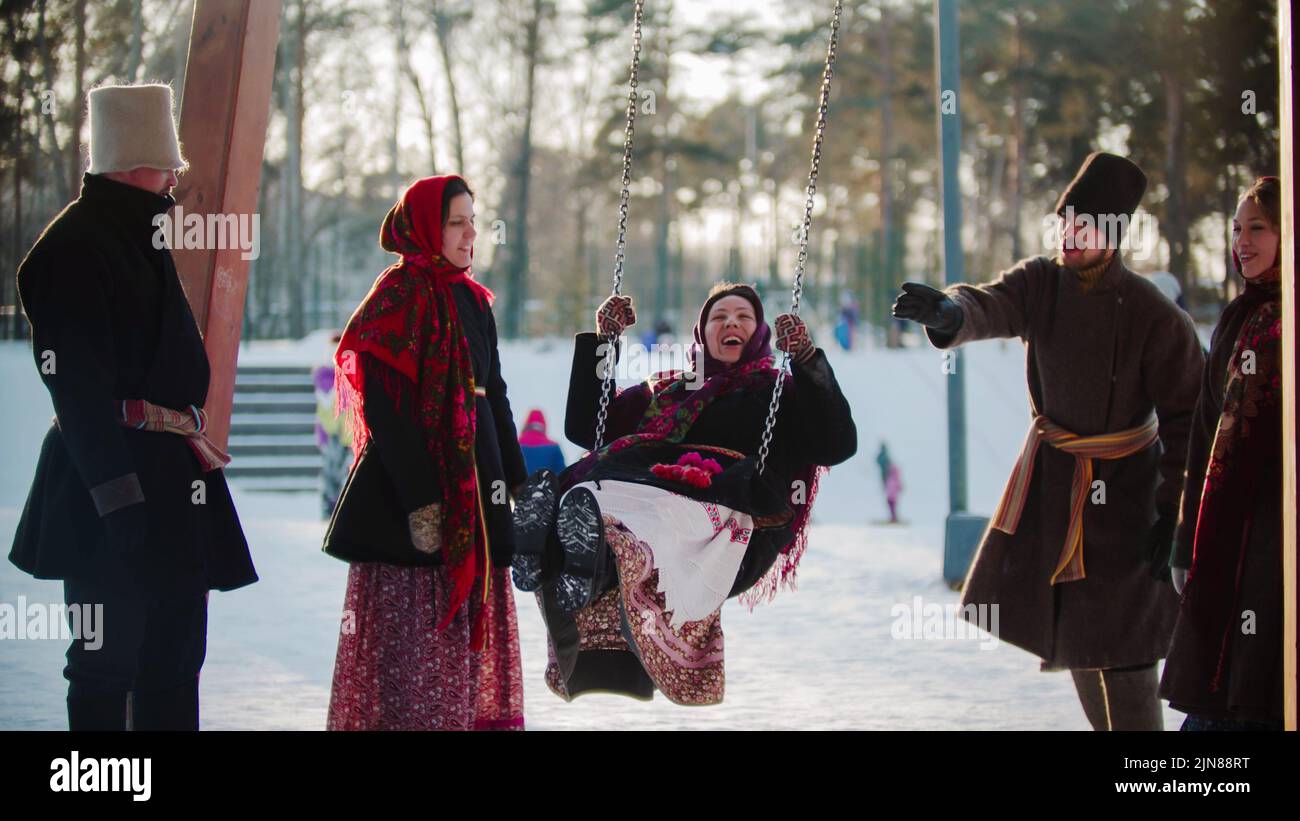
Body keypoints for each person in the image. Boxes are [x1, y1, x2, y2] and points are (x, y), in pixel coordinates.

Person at [892, 152, 1205, 730]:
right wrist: (948, 313)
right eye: (1064, 221)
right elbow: (991, 303)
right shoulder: (1043, 283)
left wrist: (1175, 513)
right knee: (1079, 639)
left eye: (1083, 224)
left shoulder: (1156, 317)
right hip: (1059, 489)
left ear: (1114, 234)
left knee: (1128, 648)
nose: (1069, 233)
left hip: (1133, 503)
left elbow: (1192, 420)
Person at [9, 83, 257, 730]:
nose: (176, 174)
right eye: (164, 160)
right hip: (108, 483)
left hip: (172, 481)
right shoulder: (73, 248)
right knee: (106, 658)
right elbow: (80, 392)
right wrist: (119, 500)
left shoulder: (138, 233)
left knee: (176, 658)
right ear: (127, 163)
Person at [512, 282, 857, 705]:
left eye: (743, 317)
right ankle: (553, 555)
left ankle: (574, 554)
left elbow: (835, 444)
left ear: (760, 332)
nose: (731, 322)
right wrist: (604, 344)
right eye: (719, 317)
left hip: (727, 516)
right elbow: (589, 429)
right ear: (702, 332)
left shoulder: (778, 395)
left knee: (653, 517)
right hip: (647, 494)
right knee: (592, 495)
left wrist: (806, 361)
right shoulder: (670, 391)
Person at [323, 175, 527, 730]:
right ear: (426, 228)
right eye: (456, 222)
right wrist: (422, 502)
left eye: (473, 222)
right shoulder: (398, 296)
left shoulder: (473, 299)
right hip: (411, 490)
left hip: (477, 483)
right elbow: (387, 412)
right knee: (415, 636)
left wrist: (515, 478)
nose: (470, 234)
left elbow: (496, 392)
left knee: (467, 637)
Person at [1160, 176, 1284, 731]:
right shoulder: (1238, 317)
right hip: (1225, 540)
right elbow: (1205, 435)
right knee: (1219, 695)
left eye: (1258, 227)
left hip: (1276, 543)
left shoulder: (1290, 319)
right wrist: (1186, 543)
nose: (1242, 241)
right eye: (1236, 229)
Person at [518, 408, 567, 476]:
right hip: (545, 485)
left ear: (526, 425)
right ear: (544, 426)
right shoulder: (554, 447)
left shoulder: (515, 445)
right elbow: (562, 474)